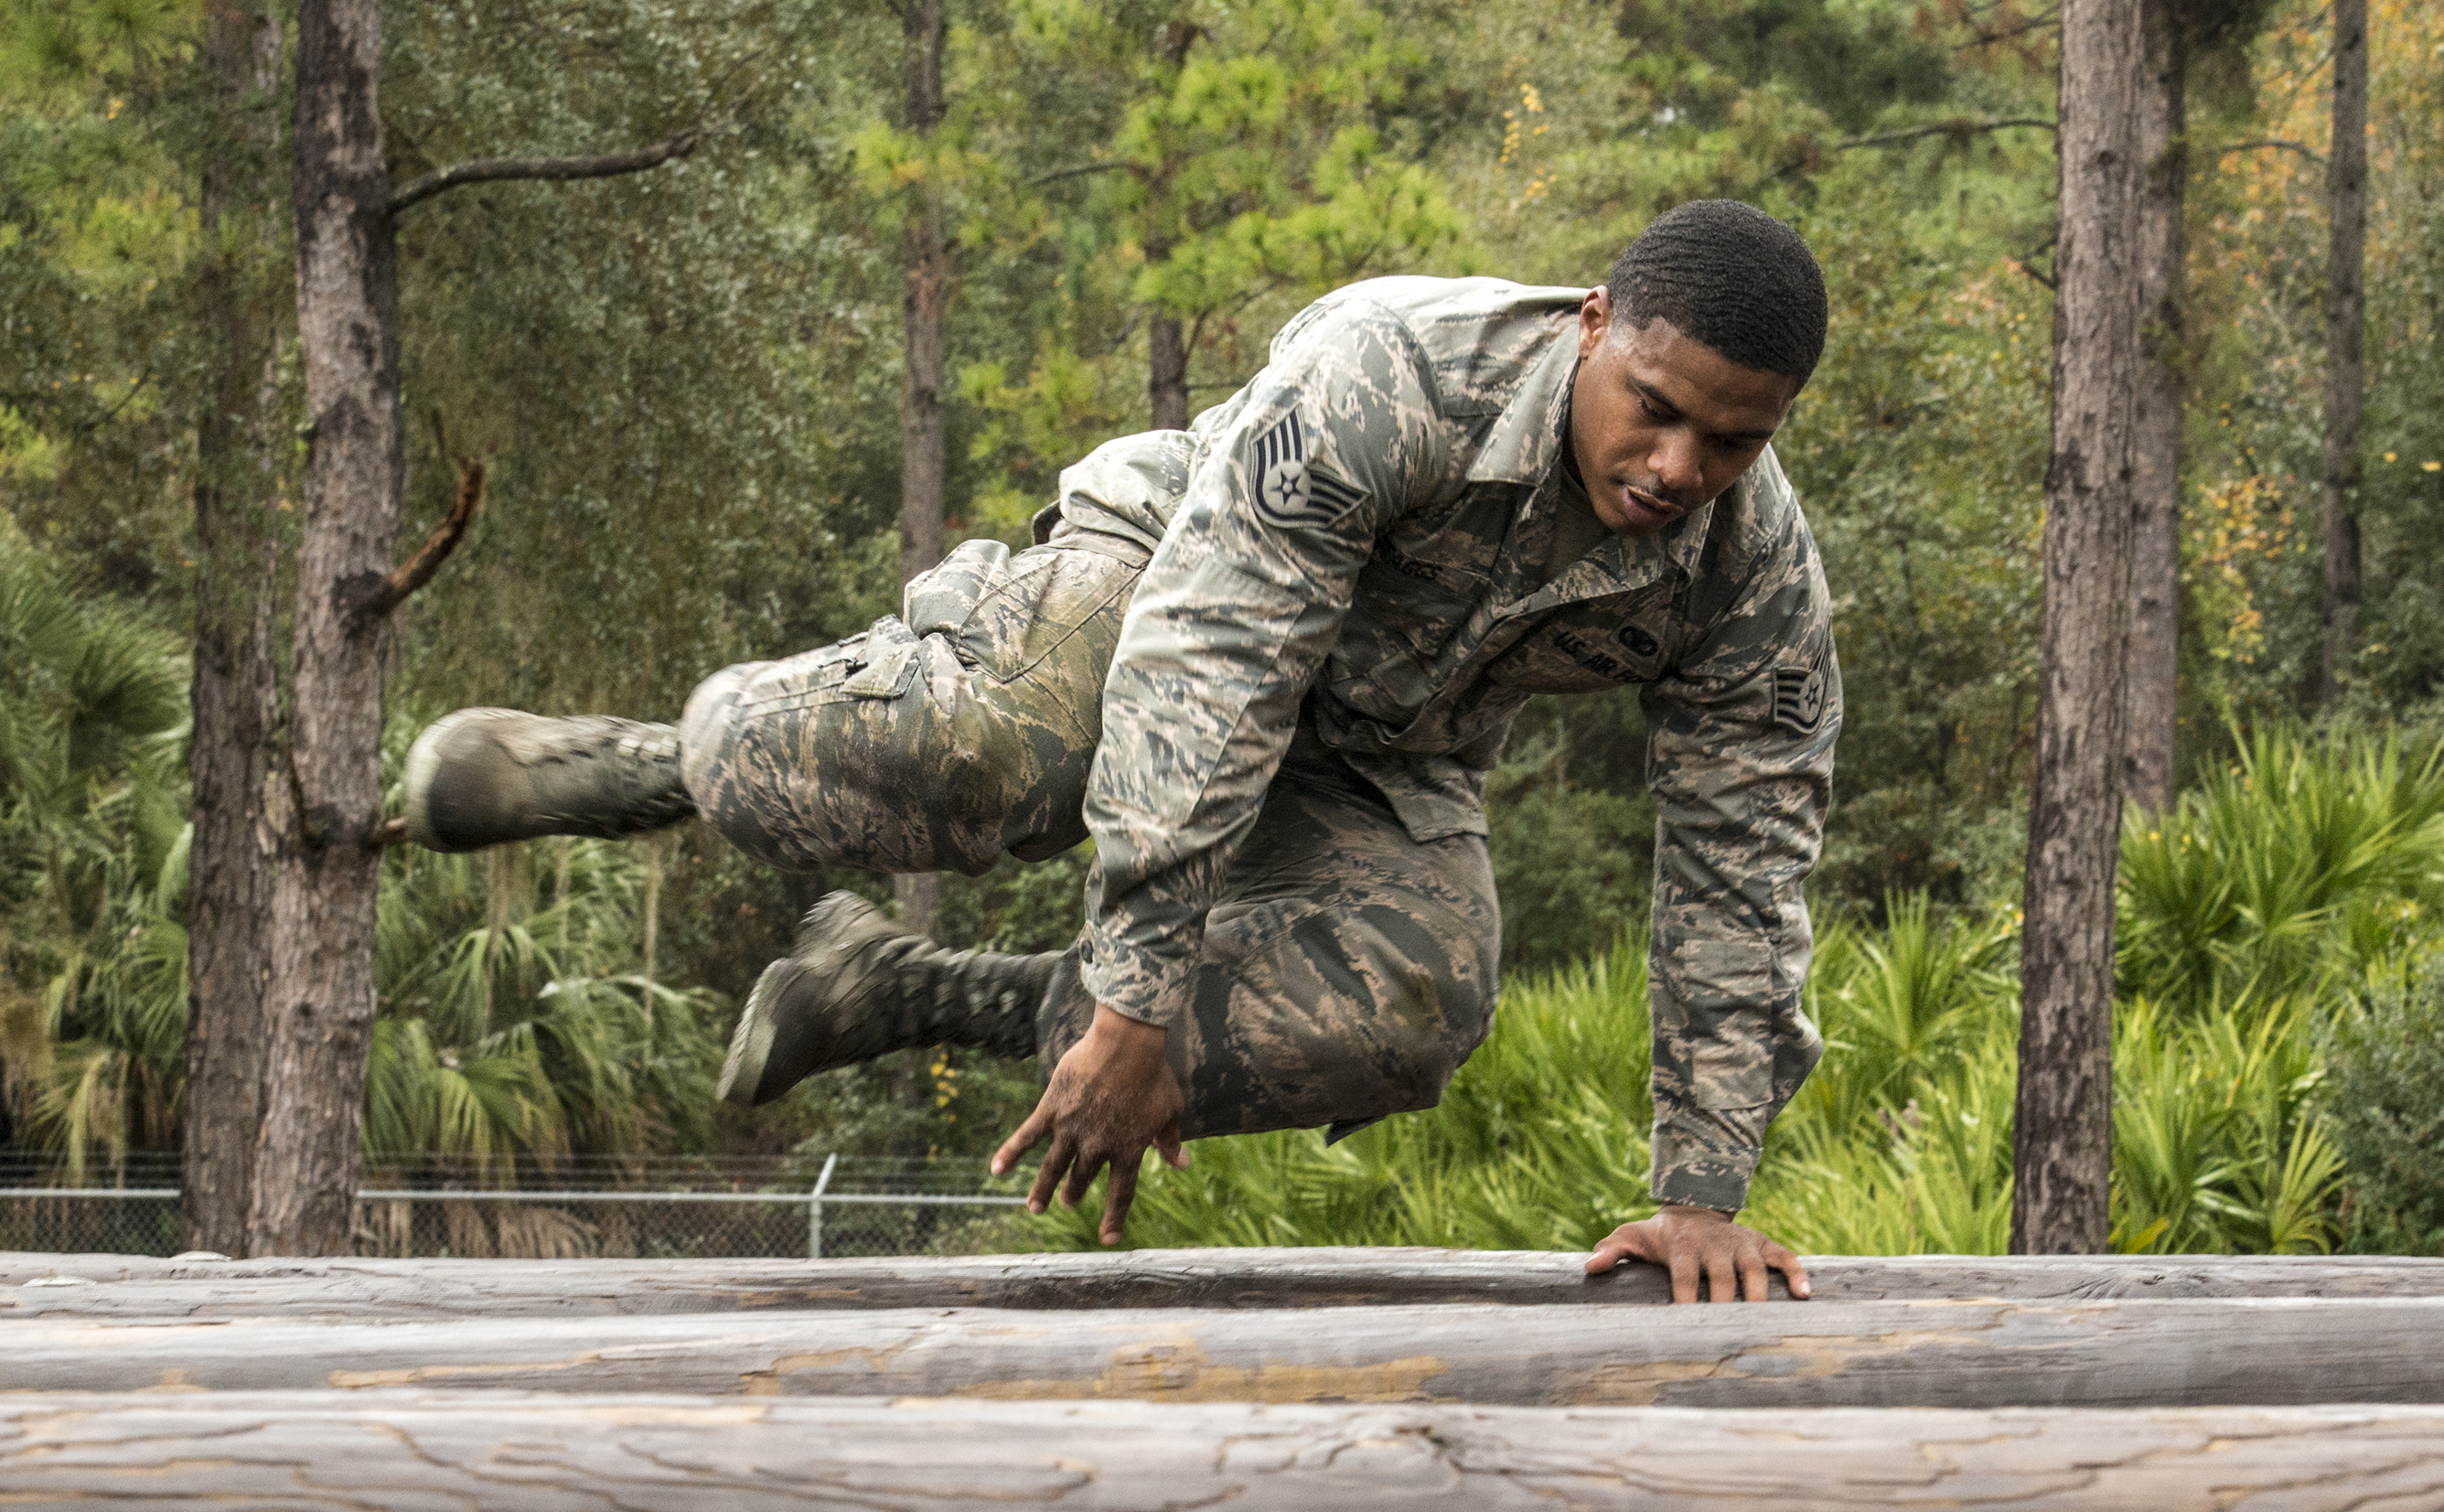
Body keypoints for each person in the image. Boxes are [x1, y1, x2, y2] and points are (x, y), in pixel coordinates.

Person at [400, 198, 1839, 1303]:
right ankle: (669, 759)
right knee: (1001, 758)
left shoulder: (1754, 581)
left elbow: (1742, 868)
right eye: (1654, 409)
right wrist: (1136, 999)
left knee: (1418, 997)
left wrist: (1703, 1186)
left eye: (1728, 442)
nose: (1675, 471)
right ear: (1595, 324)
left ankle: (892, 986)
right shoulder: (1395, 376)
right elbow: (1212, 668)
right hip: (1161, 588)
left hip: (1371, 752)